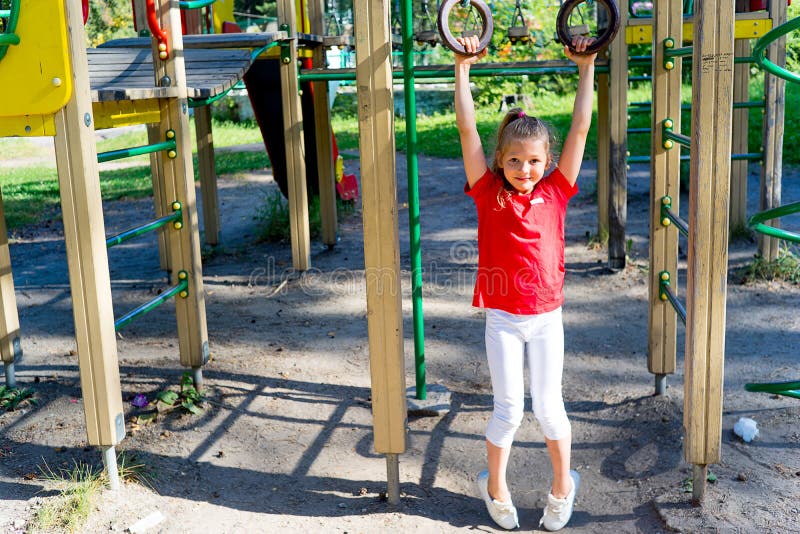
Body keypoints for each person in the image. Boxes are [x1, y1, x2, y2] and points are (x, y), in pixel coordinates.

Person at [454, 34, 597, 531]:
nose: (524, 169)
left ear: (546, 161)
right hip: (504, 319)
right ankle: (494, 485)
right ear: (499, 161)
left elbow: (580, 129)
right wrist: (462, 69)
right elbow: (468, 128)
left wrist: (586, 69)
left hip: (546, 317)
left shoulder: (556, 190)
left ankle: (562, 489)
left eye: (534, 160)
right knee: (510, 410)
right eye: (514, 160)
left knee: (550, 407)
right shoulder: (486, 191)